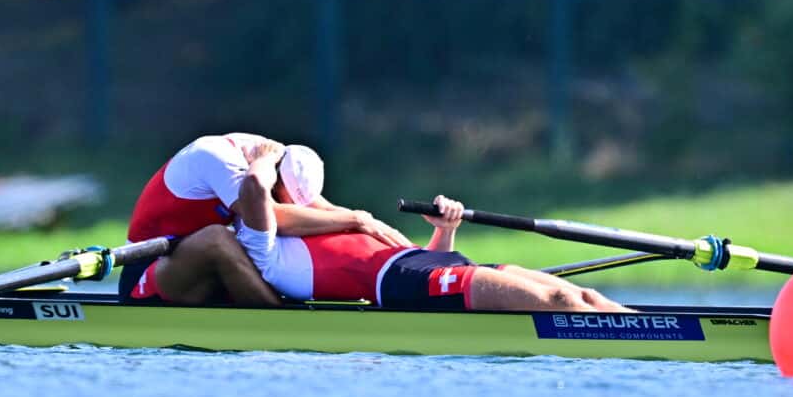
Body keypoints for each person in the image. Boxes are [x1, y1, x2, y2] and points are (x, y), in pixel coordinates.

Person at [235, 161, 626, 315]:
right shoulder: (262, 247)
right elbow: (254, 187)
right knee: (561, 302)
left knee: (588, 297)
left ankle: (650, 336)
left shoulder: (326, 220)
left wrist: (445, 228)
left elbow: (427, 261)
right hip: (399, 282)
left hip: (427, 267)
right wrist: (267, 154)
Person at [121, 134, 410, 306]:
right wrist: (354, 219)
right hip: (148, 270)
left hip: (194, 266)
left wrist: (375, 227)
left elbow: (325, 211)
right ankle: (280, 321)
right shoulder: (220, 160)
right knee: (218, 239)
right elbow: (273, 216)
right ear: (274, 180)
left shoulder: (277, 160)